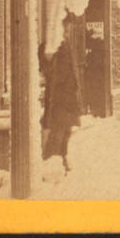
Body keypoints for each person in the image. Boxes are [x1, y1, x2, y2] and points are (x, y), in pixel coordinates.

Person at [40, 13, 84, 171]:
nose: (67, 31)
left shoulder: (65, 44)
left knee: (66, 132)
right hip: (58, 100)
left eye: (68, 29)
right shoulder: (52, 47)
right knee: (57, 133)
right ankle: (48, 162)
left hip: (68, 99)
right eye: (65, 28)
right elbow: (48, 70)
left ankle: (62, 160)